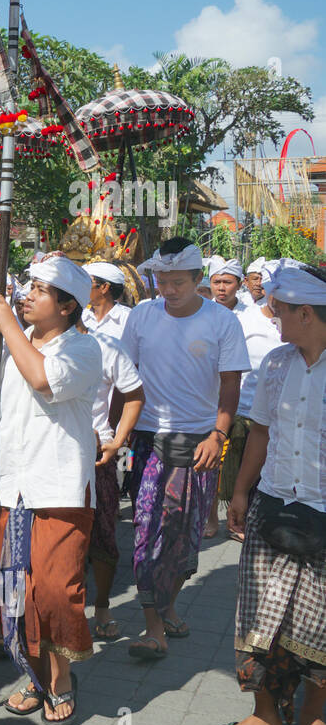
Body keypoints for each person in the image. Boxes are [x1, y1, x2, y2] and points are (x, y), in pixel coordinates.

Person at [0, 256, 102, 725]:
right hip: (11, 488)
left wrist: (8, 328)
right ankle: (35, 676)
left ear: (67, 306)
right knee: (16, 594)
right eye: (29, 287)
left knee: (57, 593)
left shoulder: (84, 350)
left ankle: (61, 681)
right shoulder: (1, 349)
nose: (26, 295)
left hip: (60, 488)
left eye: (40, 291)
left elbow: (43, 379)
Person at [210, 260, 326, 725]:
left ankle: (316, 716)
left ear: (307, 313)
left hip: (322, 512)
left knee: (319, 622)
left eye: (279, 311)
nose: (271, 317)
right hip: (273, 505)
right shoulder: (277, 362)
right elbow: (260, 430)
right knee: (258, 617)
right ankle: (266, 715)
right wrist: (240, 492)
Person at [120, 238, 249, 660]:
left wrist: (218, 435)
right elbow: (126, 377)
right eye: (162, 281)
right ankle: (154, 627)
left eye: (178, 282)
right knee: (146, 528)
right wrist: (113, 433)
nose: (169, 290)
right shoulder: (141, 316)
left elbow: (231, 384)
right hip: (146, 438)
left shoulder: (222, 323)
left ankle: (168, 605)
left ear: (198, 280)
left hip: (199, 443)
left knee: (183, 534)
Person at [79, 264, 145, 640]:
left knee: (103, 533)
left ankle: (101, 606)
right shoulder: (27, 343)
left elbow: (134, 389)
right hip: (45, 458)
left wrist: (118, 440)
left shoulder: (117, 334)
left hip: (99, 452)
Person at [208, 258, 284, 541]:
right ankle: (229, 520)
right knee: (230, 470)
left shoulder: (290, 323)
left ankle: (252, 521)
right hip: (243, 410)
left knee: (262, 473)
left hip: (279, 413)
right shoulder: (244, 320)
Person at [81, 262, 132, 339]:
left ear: (104, 287)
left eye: (88, 283)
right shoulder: (81, 316)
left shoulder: (128, 319)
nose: (83, 287)